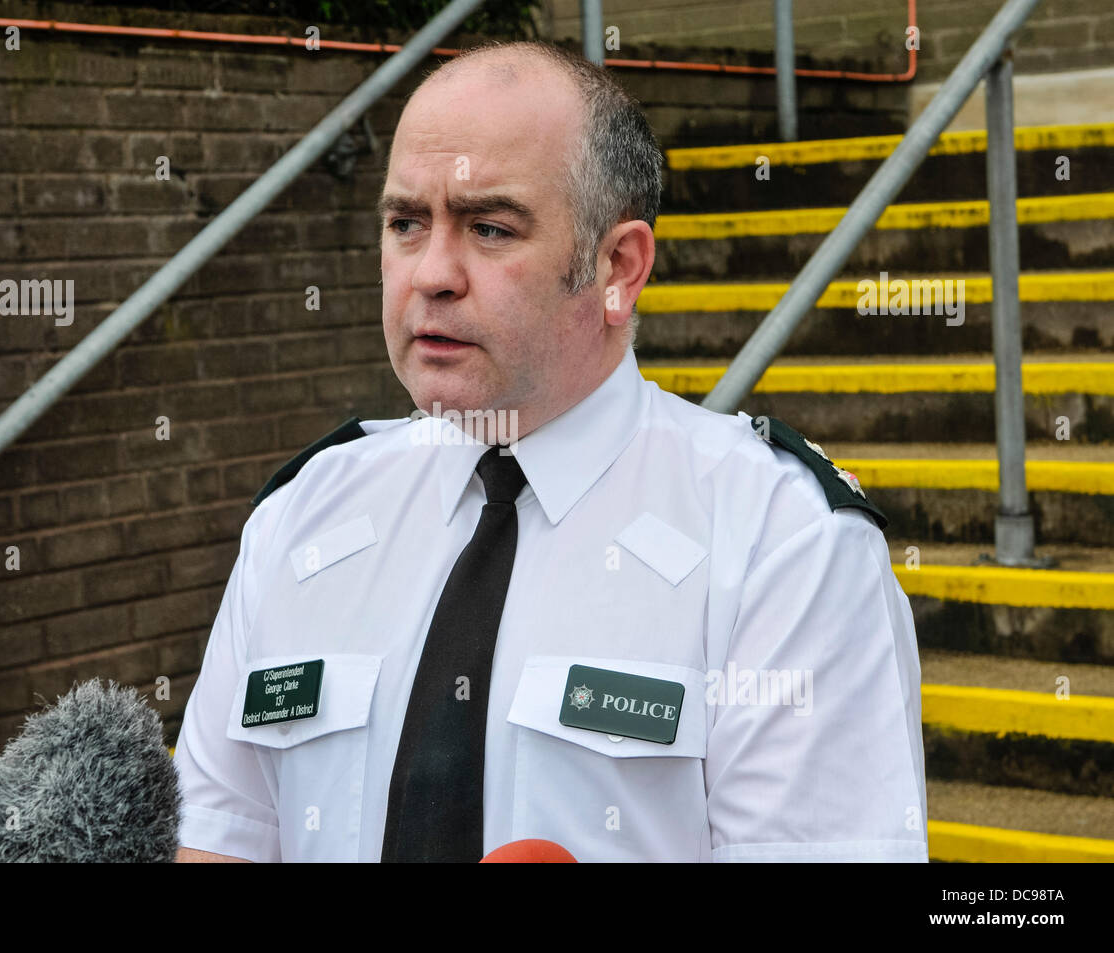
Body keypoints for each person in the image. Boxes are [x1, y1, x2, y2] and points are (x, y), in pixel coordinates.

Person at [172, 39, 927, 863]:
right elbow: (221, 840)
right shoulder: (302, 518)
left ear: (618, 267)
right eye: (404, 223)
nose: (431, 273)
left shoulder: (782, 544)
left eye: (489, 227)